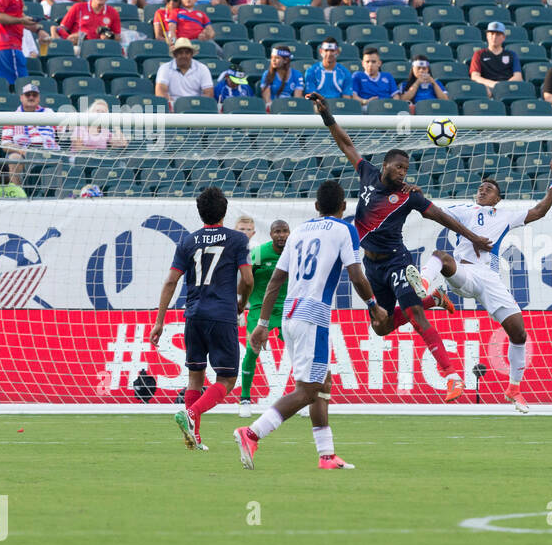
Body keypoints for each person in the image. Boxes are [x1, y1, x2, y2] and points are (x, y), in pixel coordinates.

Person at [306, 92, 493, 404]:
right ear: (385, 165)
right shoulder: (367, 173)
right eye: (399, 167)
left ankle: (451, 375)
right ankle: (433, 298)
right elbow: (346, 144)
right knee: (380, 326)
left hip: (397, 261)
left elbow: (440, 215)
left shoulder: (409, 195)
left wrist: (472, 237)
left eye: (406, 169)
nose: (403, 172)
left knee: (415, 315)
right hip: (371, 265)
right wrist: (326, 115)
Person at [235, 184, 382, 470]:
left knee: (322, 382)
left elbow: (276, 280)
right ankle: (251, 433)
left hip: (289, 315)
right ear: (344, 206)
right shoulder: (345, 229)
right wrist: (373, 305)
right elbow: (356, 274)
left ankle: (326, 455)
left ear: (316, 206)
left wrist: (262, 323)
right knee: (309, 390)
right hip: (313, 317)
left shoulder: (299, 231)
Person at [418, 160, 552, 412]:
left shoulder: (506, 216)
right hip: (464, 271)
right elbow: (432, 211)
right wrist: (418, 196)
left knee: (519, 333)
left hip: (490, 278)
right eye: (481, 187)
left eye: (489, 189)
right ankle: (422, 284)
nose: (483, 190)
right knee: (441, 257)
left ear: (498, 199)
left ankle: (514, 389)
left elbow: (539, 211)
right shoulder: (464, 209)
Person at [149, 186, 252, 452]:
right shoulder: (237, 240)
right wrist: (241, 304)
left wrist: (159, 321)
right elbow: (248, 279)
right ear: (224, 211)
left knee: (195, 376)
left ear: (200, 212)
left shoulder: (187, 242)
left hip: (193, 315)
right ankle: (191, 414)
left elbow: (171, 281)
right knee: (227, 380)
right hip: (222, 315)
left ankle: (194, 436)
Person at [237, 219, 290, 417]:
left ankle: (303, 396)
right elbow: (245, 278)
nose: (281, 235)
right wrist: (240, 303)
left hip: (286, 309)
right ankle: (245, 398)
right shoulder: (259, 253)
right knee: (252, 350)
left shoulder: (294, 252)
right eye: (277, 231)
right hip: (259, 307)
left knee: (299, 351)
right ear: (270, 234)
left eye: (284, 231)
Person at [0, 83, 59, 183]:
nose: (31, 97)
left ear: (38, 98)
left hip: (50, 152)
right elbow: (5, 144)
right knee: (14, 158)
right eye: (28, 95)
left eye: (34, 95)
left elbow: (62, 131)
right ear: (21, 98)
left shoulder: (48, 112)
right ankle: (17, 191)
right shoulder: (12, 116)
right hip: (24, 153)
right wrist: (22, 150)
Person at [155, 37, 214, 105]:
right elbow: (160, 92)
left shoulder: (202, 68)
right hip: (172, 107)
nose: (184, 55)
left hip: (196, 106)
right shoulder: (165, 68)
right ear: (175, 54)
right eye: (180, 52)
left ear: (191, 54)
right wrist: (174, 105)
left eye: (187, 52)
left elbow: (209, 93)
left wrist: (197, 104)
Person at [470, 21, 522, 90]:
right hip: (488, 87)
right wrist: (493, 84)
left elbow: (518, 77)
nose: (494, 37)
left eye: (498, 34)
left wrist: (504, 86)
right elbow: (475, 77)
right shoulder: (479, 54)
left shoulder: (511, 55)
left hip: (507, 88)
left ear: (503, 37)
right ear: (487, 36)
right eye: (491, 34)